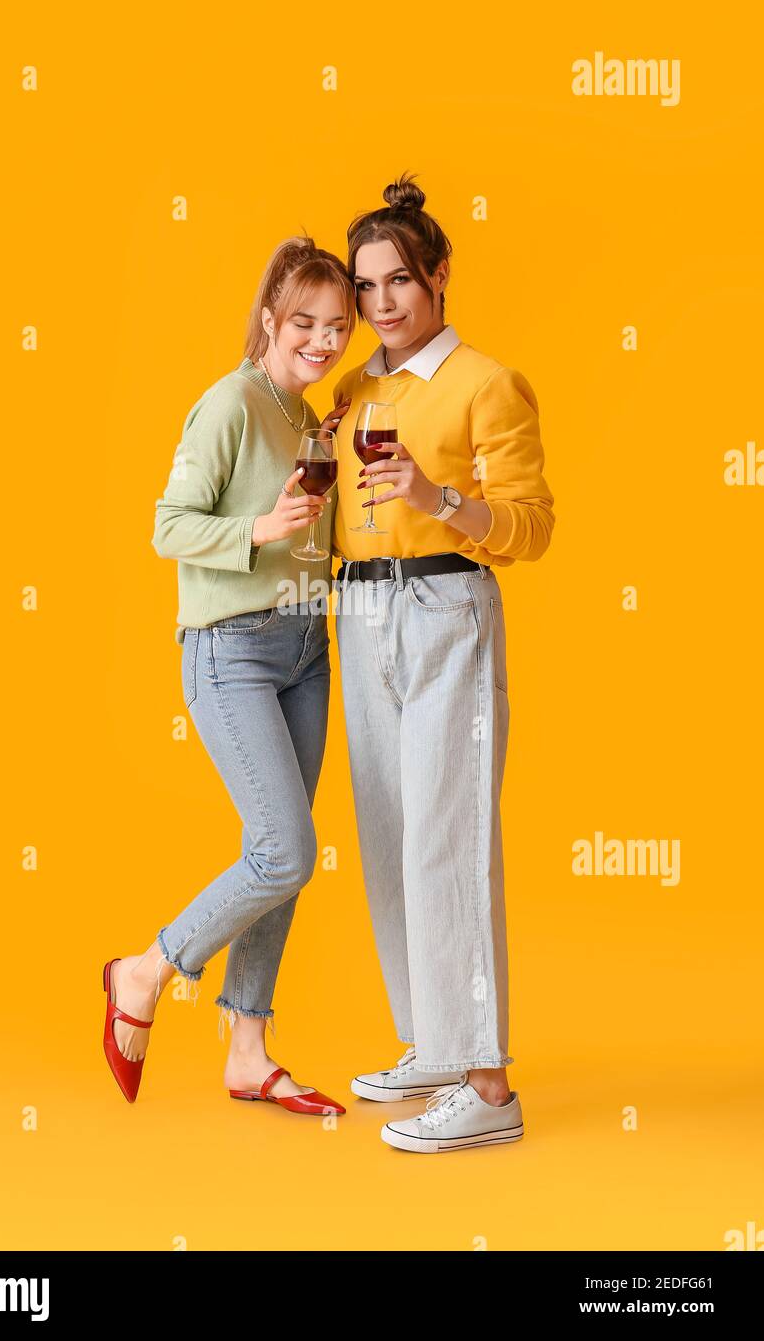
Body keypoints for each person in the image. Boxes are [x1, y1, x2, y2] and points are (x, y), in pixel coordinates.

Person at [102, 236, 354, 1116]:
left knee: (284, 859)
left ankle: (248, 1048)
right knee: (284, 851)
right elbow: (168, 526)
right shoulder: (231, 404)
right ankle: (144, 971)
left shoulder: (304, 412)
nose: (324, 341)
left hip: (306, 650)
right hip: (232, 649)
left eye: (338, 325)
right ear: (269, 319)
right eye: (306, 323)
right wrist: (260, 527)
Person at [330, 173, 556, 1152]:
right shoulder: (355, 391)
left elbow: (531, 527)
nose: (381, 303)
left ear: (438, 277)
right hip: (359, 606)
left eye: (399, 282)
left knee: (446, 833)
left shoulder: (485, 384)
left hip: (444, 607)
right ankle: (433, 1039)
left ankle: (488, 1086)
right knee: (385, 827)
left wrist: (435, 495)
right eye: (366, 284)